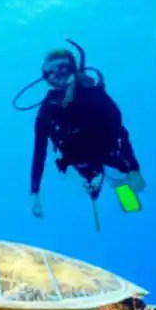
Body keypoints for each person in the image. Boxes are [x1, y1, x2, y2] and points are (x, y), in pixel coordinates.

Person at [14, 41, 146, 222]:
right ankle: (93, 186)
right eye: (52, 69)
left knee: (121, 184)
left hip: (108, 153)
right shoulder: (47, 110)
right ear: (46, 75)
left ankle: (130, 209)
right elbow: (39, 152)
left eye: (63, 67)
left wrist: (134, 169)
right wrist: (35, 192)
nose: (59, 73)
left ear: (74, 69)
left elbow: (119, 130)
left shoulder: (94, 95)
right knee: (83, 184)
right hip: (75, 162)